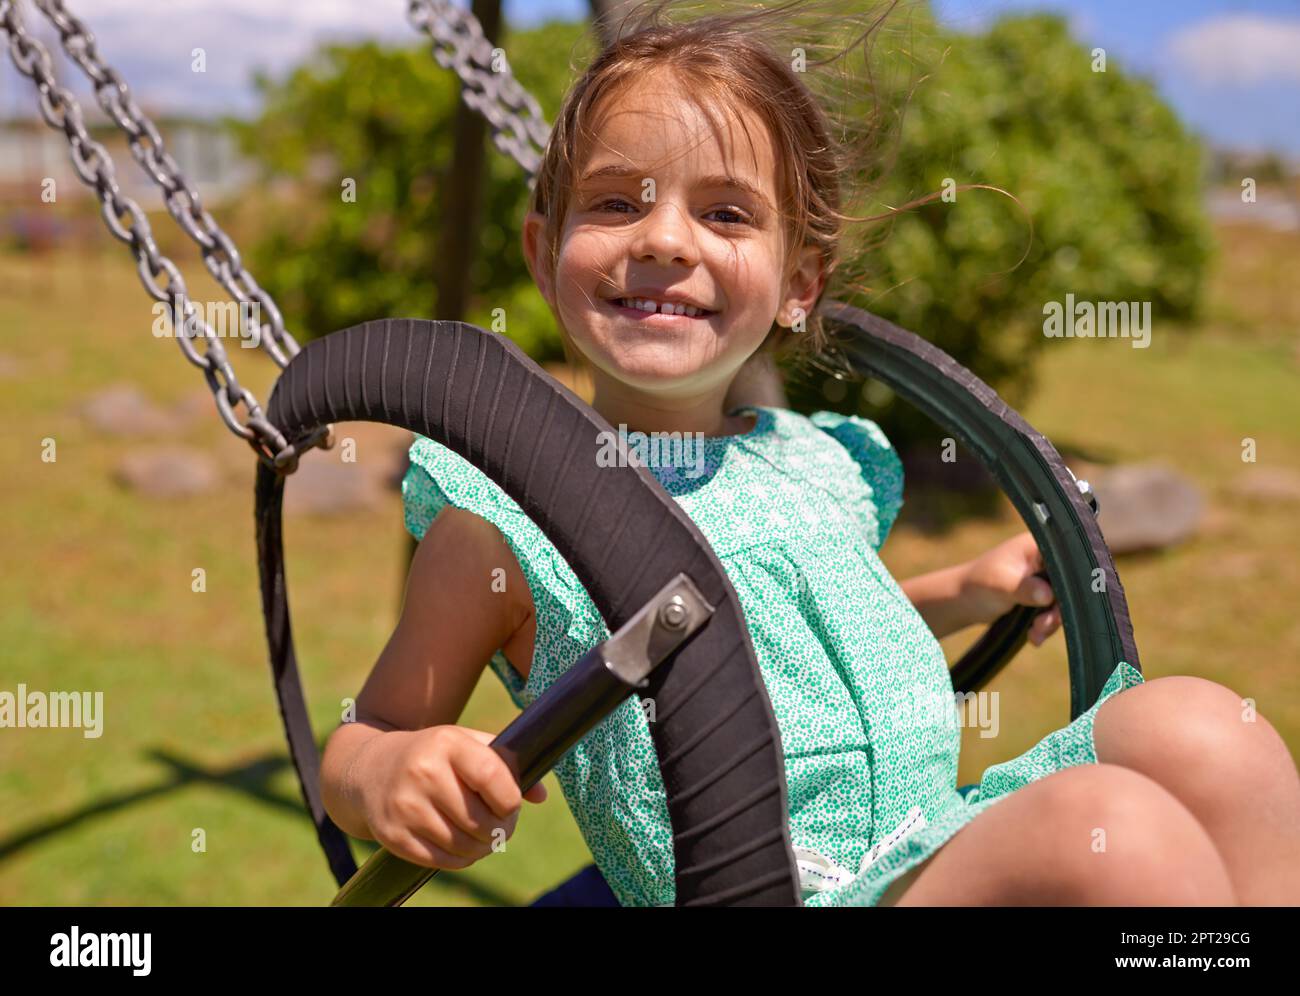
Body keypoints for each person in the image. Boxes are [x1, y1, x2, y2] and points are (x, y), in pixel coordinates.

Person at [320, 0, 1300, 906]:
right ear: (543, 255)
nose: (663, 238)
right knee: (1116, 837)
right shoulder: (505, 524)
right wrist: (388, 773)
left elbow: (793, 646)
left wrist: (966, 584)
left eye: (725, 213)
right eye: (616, 204)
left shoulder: (815, 459)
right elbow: (361, 738)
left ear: (798, 283)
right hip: (776, 891)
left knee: (1207, 731)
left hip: (925, 833)